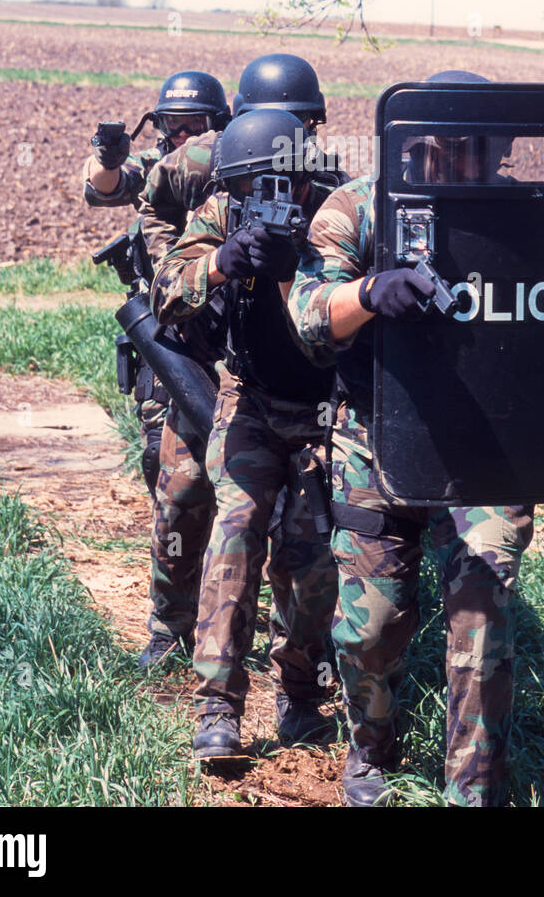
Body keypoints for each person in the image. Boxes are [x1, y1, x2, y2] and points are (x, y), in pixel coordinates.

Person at [285, 71, 535, 807]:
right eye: (452, 147)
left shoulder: (524, 213)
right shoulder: (359, 206)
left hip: (489, 446)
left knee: (482, 609)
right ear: (420, 142)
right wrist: (368, 293)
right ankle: (372, 745)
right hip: (378, 438)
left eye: (483, 149)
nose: (467, 161)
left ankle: (473, 788)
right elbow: (306, 314)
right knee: (371, 629)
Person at [150, 104, 347, 756]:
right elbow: (165, 293)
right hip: (253, 396)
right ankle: (218, 708)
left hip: (327, 407)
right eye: (247, 187)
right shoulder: (223, 213)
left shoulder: (340, 211)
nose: (265, 198)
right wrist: (221, 262)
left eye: (277, 184)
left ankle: (300, 693)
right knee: (234, 540)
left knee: (314, 564)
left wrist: (299, 265)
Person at [83, 71, 230, 671]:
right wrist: (108, 157)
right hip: (172, 341)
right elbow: (101, 187)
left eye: (195, 124)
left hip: (235, 341)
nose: (184, 133)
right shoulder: (158, 168)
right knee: (169, 478)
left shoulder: (237, 164)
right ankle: (171, 626)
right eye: (173, 124)